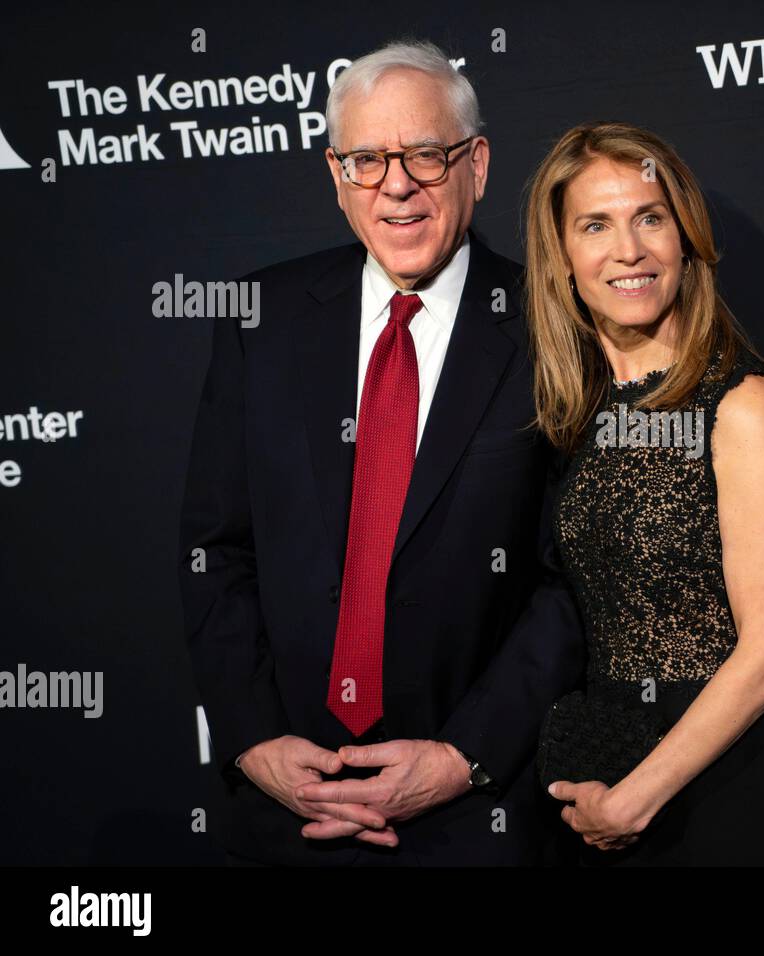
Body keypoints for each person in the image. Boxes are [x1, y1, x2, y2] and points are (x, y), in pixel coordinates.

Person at [178, 39, 584, 866]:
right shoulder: (263, 318)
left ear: (475, 164)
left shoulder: (554, 328)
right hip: (288, 814)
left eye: (426, 156)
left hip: (479, 814)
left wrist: (461, 756)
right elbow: (215, 550)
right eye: (367, 159)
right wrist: (255, 741)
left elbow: (572, 581)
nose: (396, 184)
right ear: (337, 176)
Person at [525, 122, 764, 865]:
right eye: (595, 225)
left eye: (650, 218)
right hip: (612, 776)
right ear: (563, 258)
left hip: (732, 776)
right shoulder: (573, 418)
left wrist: (639, 794)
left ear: (686, 238)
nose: (628, 250)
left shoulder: (744, 402)